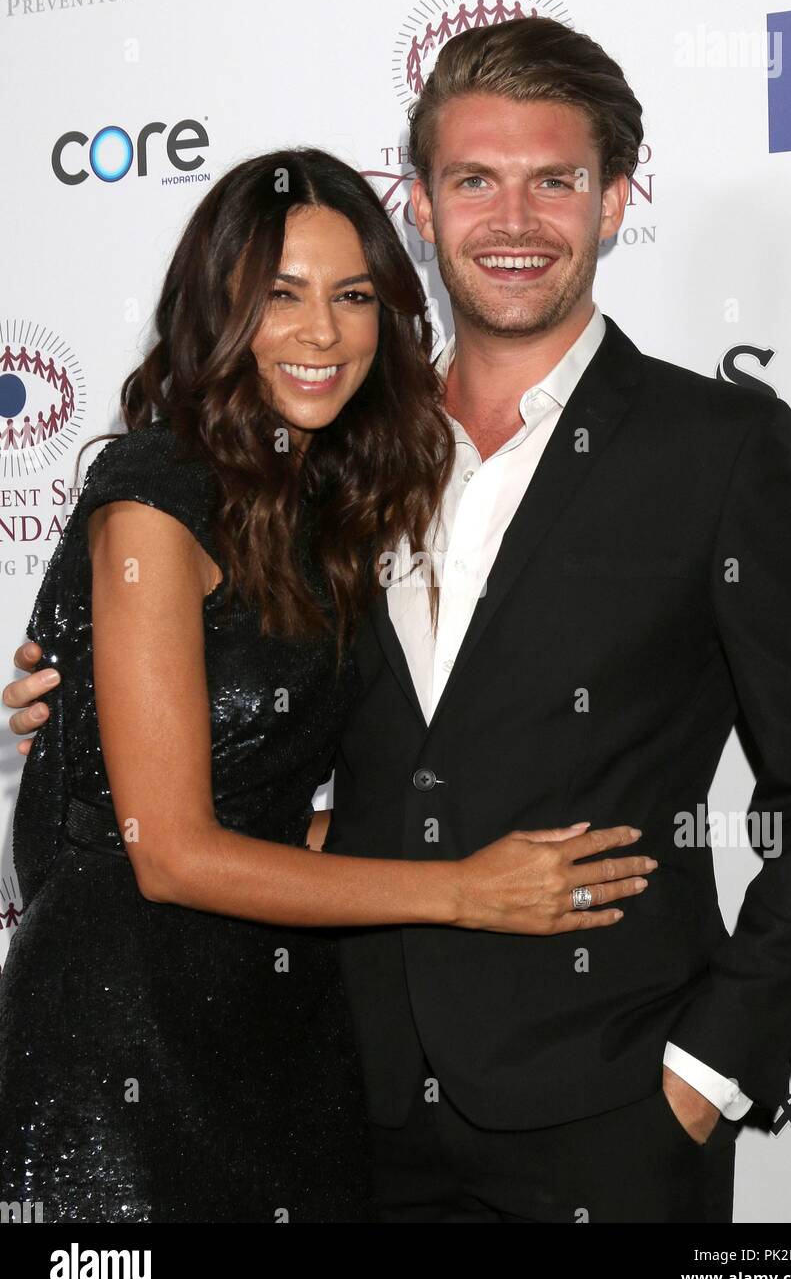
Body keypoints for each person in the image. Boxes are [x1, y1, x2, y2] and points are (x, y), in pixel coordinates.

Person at [0, 145, 653, 1224]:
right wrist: (463, 889)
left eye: (352, 295)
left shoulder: (331, 501)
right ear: (215, 313)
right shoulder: (155, 494)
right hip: (122, 1042)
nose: (321, 332)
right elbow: (166, 851)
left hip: (286, 1022)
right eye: (278, 297)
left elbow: (296, 774)